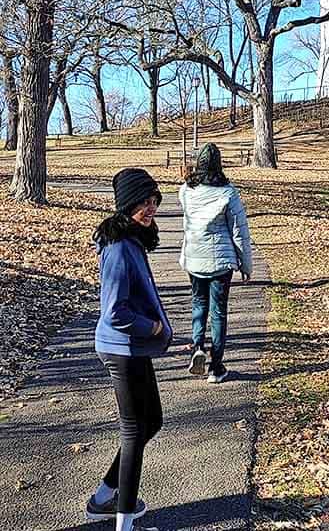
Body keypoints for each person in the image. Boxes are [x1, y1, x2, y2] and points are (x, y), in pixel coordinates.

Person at [86, 168, 172, 531]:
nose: (150, 208)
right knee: (135, 430)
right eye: (143, 201)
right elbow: (115, 311)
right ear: (127, 203)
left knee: (152, 420)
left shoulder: (133, 239)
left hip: (133, 349)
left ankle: (105, 497)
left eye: (154, 201)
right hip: (122, 348)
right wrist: (151, 326)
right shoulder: (120, 246)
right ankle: (124, 523)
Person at [179, 142, 252, 384]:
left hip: (194, 259)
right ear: (218, 164)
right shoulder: (228, 192)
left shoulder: (185, 191)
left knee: (199, 305)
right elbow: (239, 231)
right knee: (218, 313)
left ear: (198, 164)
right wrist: (245, 265)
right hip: (221, 262)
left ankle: (197, 346)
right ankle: (216, 367)